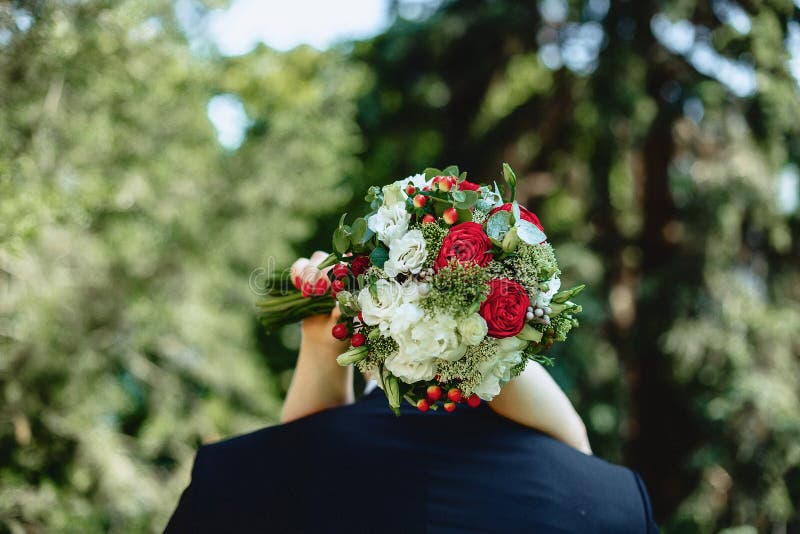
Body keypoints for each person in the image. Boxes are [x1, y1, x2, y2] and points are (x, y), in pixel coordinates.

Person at [165, 254, 659, 533]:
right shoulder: (616, 504)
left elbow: (302, 456)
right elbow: (572, 441)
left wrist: (319, 347)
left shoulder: (234, 473)